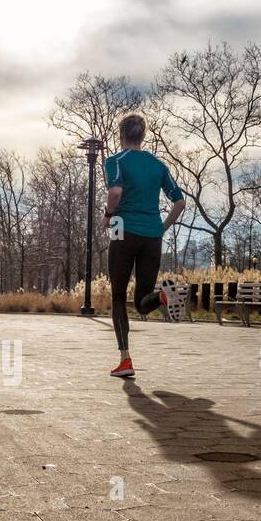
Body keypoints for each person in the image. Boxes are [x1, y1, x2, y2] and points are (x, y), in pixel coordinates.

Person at [103, 114, 188, 379]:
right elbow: (180, 202)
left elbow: (115, 192)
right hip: (152, 235)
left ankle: (125, 359)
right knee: (142, 302)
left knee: (118, 295)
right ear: (142, 136)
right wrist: (161, 228)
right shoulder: (158, 165)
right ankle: (163, 296)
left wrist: (107, 214)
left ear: (121, 134)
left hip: (121, 229)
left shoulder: (116, 161)